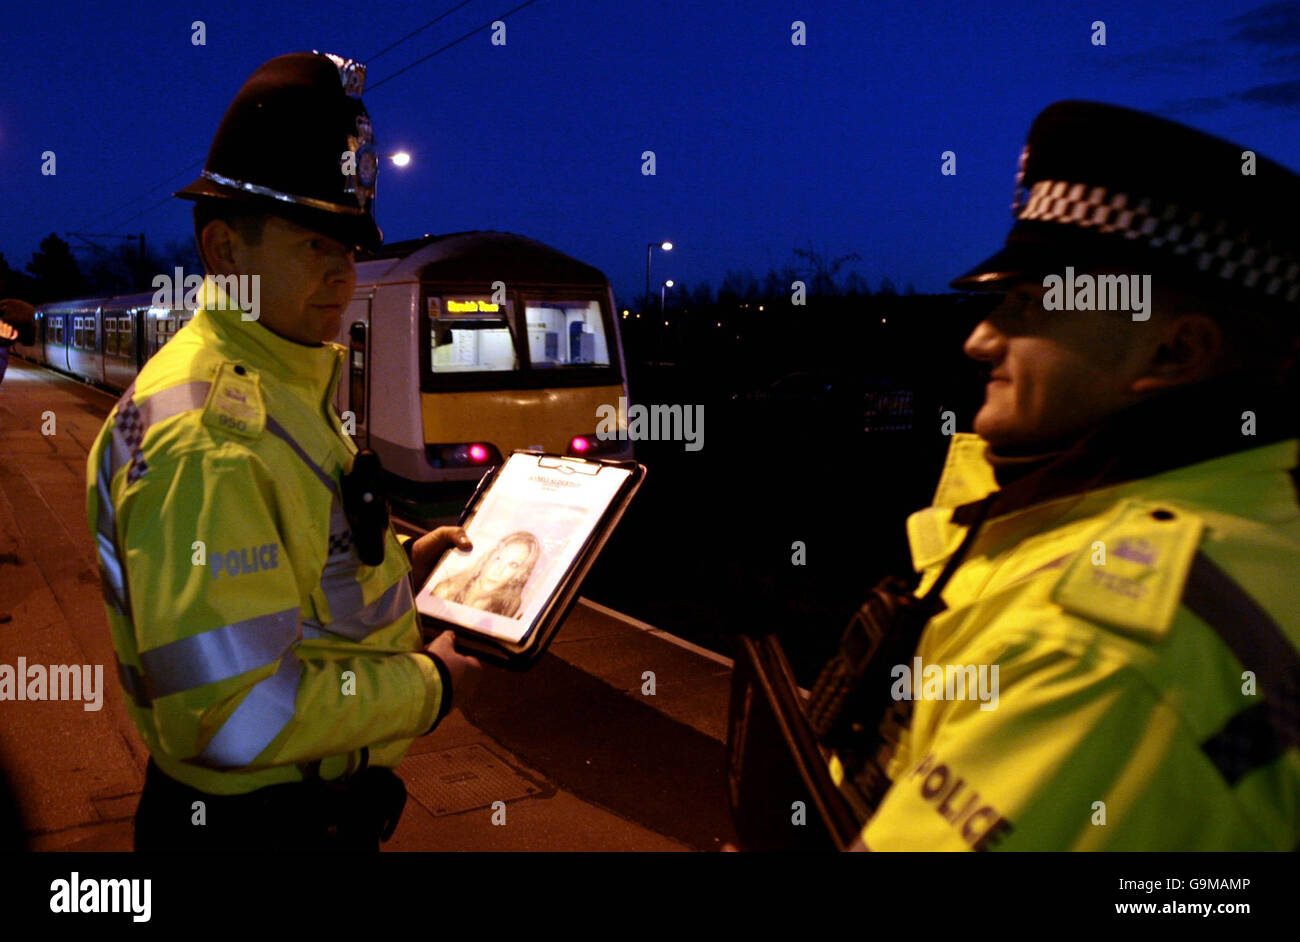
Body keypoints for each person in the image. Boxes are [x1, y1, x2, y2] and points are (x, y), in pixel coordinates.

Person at [818, 101, 1300, 851]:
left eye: (1034, 305)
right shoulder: (1238, 510)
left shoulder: (1096, 653)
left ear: (1176, 355)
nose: (980, 339)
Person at [85, 51, 482, 852]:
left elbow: (286, 557)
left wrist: (403, 559)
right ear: (227, 252)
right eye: (314, 244)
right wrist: (432, 686)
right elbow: (230, 713)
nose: (343, 271)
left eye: (349, 246)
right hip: (256, 832)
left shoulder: (273, 384)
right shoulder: (208, 440)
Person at [432, 531, 541, 618]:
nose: (498, 571)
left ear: (520, 574)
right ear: (488, 558)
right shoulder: (446, 590)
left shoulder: (510, 608)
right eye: (498, 558)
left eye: (513, 565)